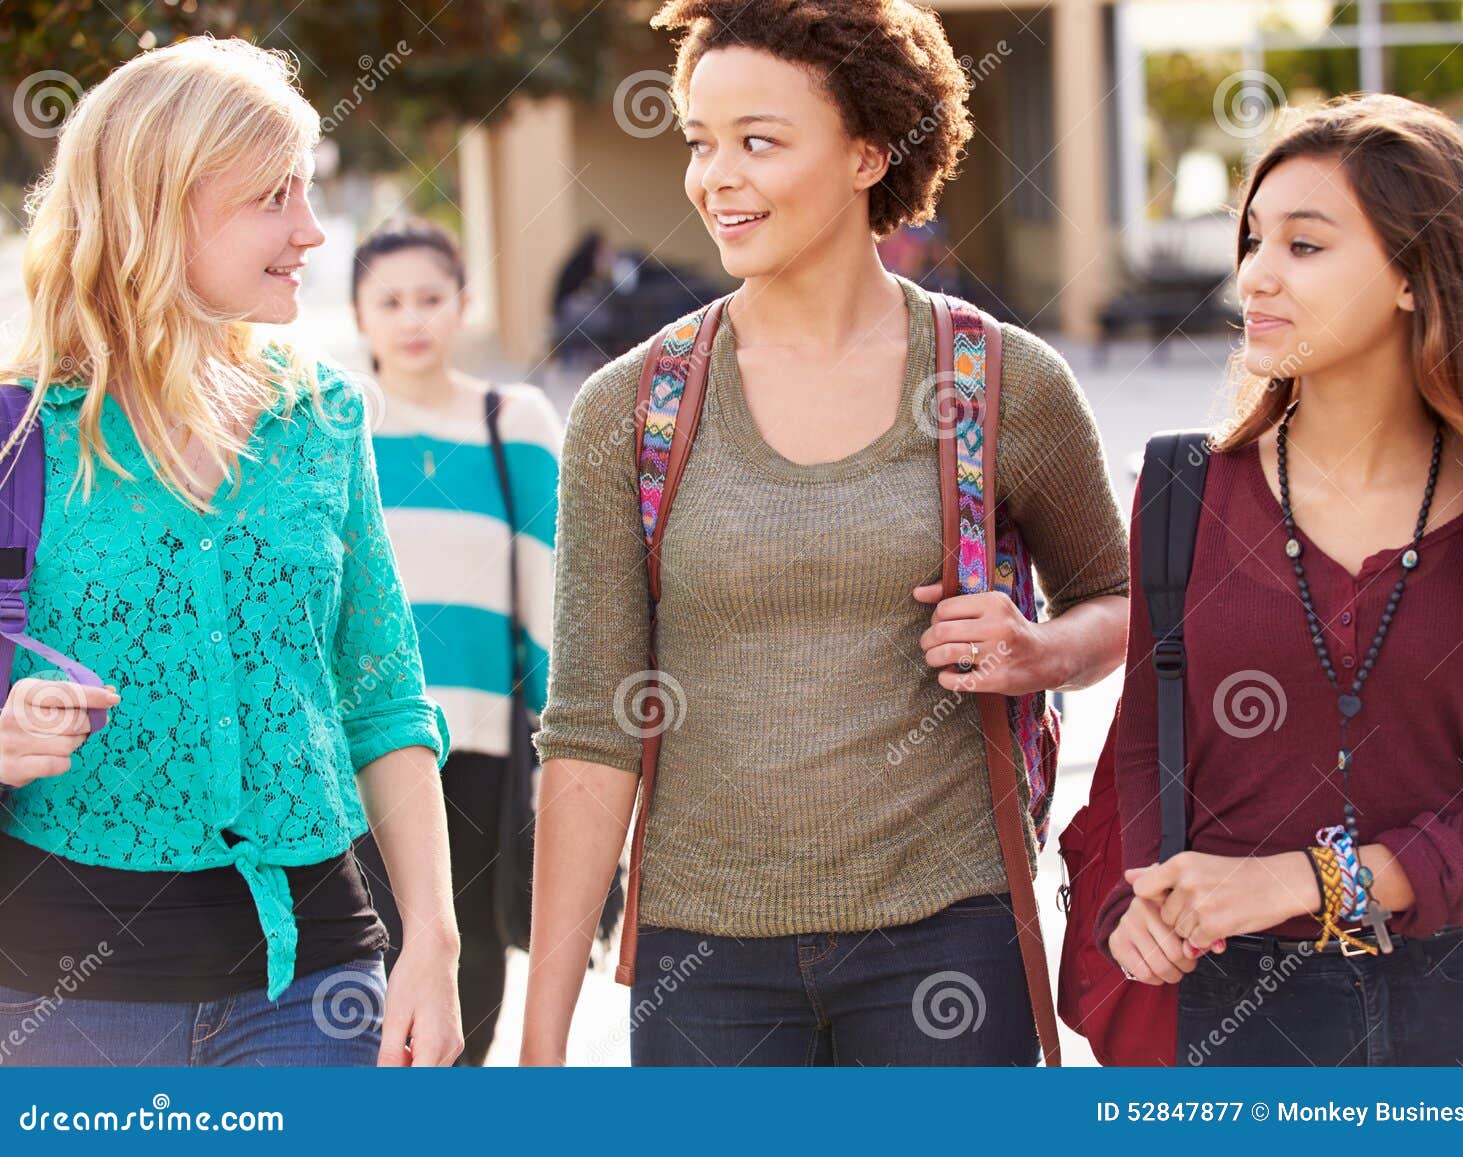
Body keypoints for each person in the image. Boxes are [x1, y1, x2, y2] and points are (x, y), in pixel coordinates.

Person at [522, 0, 1130, 1067]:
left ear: (864, 154)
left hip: (947, 936)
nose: (715, 176)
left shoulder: (1001, 383)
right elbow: (590, 726)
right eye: (700, 143)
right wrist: (541, 1048)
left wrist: (1046, 651)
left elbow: (1119, 600)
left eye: (758, 141)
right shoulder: (633, 407)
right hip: (703, 958)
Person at [1098, 93, 1463, 1066]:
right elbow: (1144, 739)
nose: (1253, 274)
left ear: (1413, 274)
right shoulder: (1180, 488)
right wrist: (1140, 898)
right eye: (1252, 240)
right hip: (1236, 1016)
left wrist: (1320, 881)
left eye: (1304, 245)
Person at [0, 38, 461, 1067]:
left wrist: (431, 937)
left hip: (315, 986)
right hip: (60, 996)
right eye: (272, 196)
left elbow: (381, 695)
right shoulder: (18, 436)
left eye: (308, 191)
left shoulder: (324, 418)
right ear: (157, 209)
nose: (309, 230)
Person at [349, 216, 563, 1065]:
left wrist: (561, 750)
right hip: (355, 743)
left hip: (480, 739)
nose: (413, 319)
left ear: (463, 304)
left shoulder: (516, 420)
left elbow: (552, 593)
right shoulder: (330, 421)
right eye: (390, 301)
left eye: (431, 298)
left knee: (468, 942)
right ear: (360, 314)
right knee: (361, 954)